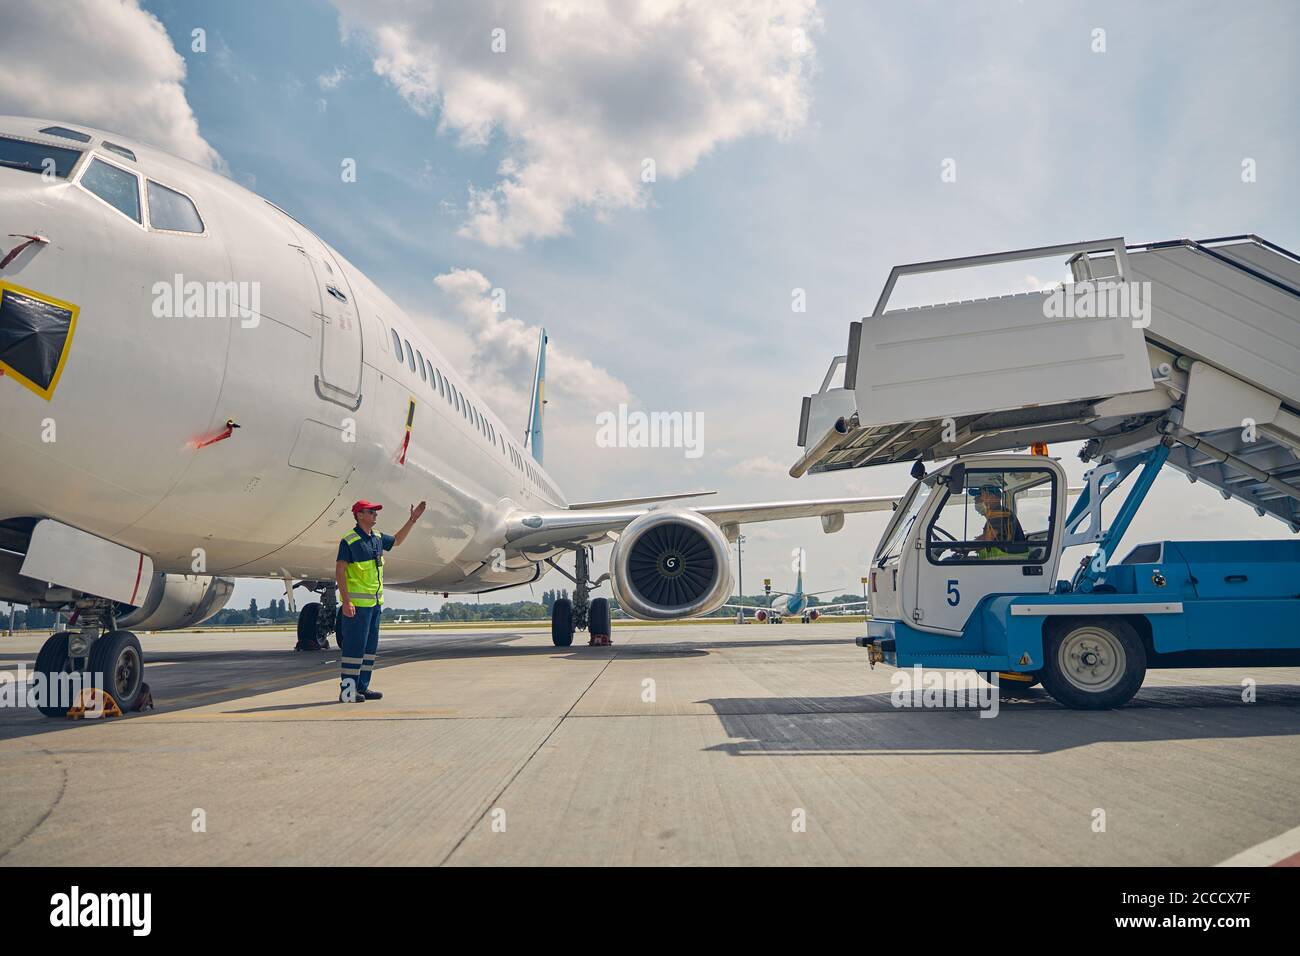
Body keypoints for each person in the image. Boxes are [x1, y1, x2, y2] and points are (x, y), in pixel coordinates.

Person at [335, 498, 426, 702]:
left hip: (375, 604)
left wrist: (412, 520)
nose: (375, 515)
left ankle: (362, 687)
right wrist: (347, 601)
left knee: (369, 650)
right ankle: (348, 692)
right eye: (371, 512)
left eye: (375, 512)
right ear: (359, 515)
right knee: (353, 649)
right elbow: (340, 571)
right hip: (358, 606)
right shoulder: (349, 540)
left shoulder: (376, 537)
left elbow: (397, 541)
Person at [971, 485, 1026, 559]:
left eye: (981, 496)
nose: (977, 500)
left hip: (1011, 561)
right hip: (1003, 561)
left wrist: (966, 547)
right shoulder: (995, 514)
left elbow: (988, 538)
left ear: (993, 498)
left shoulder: (1001, 515)